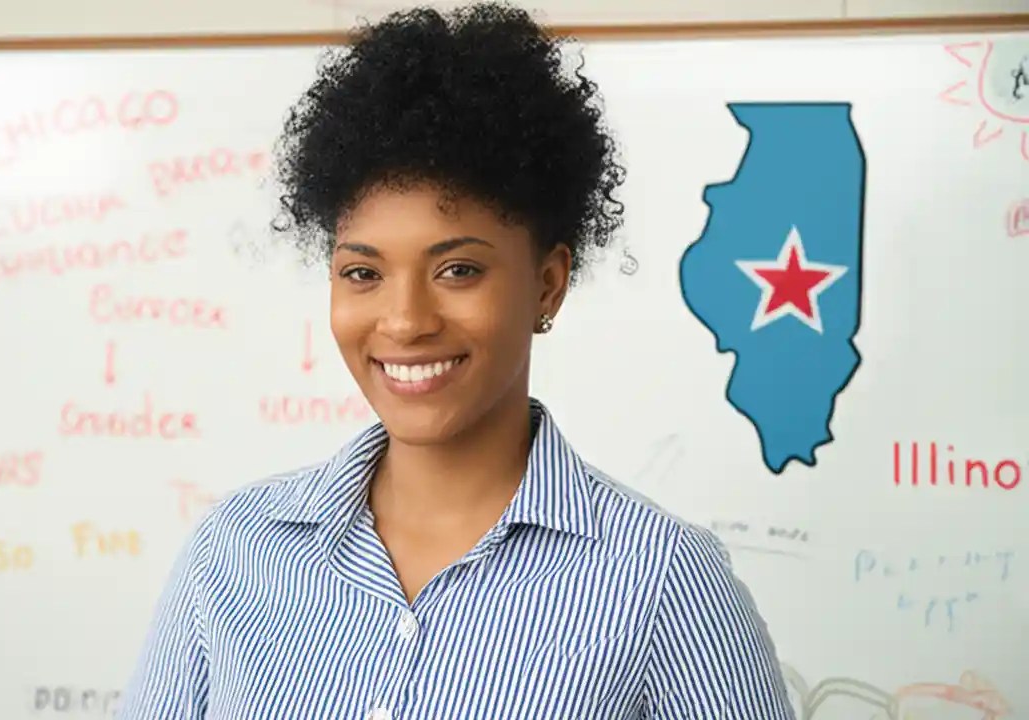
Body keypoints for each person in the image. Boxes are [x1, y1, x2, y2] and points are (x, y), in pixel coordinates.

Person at [118, 3, 795, 718]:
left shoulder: (664, 582)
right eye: (362, 274)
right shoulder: (233, 553)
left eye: (458, 271)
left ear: (547, 283)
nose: (405, 322)